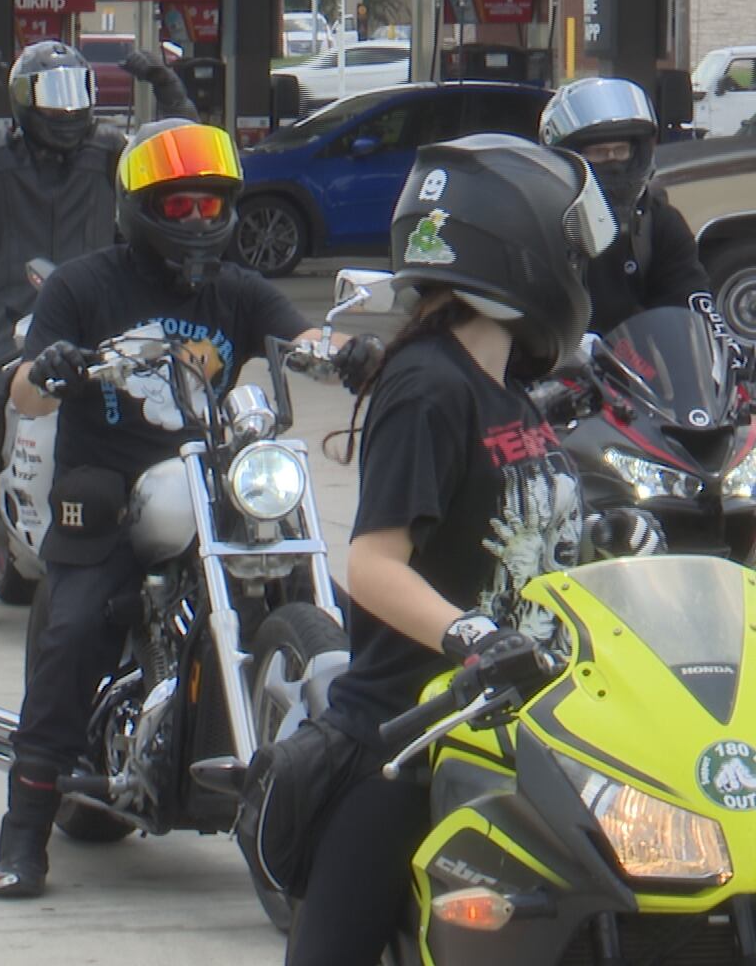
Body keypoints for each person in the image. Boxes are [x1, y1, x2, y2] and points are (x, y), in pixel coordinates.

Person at [0, 120, 371, 898]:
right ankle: (23, 835)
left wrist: (351, 351)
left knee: (343, 606)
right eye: (181, 205)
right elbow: (21, 386)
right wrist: (51, 367)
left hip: (215, 480)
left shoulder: (236, 287)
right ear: (141, 207)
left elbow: (303, 338)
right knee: (71, 635)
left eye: (209, 205)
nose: (198, 221)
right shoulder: (84, 284)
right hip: (112, 493)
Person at [285, 135, 615, 963]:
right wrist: (474, 638)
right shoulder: (429, 387)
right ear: (524, 250)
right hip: (418, 735)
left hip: (534, 733)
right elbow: (371, 564)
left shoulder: (503, 388)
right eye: (568, 247)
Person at [0, 40, 198, 628]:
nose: (67, 109)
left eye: (78, 92)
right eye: (52, 94)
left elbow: (182, 156)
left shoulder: (111, 150)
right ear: (21, 100)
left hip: (99, 312)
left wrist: (165, 83)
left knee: (165, 417)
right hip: (8, 317)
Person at [539, 76, 726, 337]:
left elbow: (691, 297)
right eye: (599, 152)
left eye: (620, 150)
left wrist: (719, 350)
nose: (613, 160)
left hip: (637, 368)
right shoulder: (541, 224)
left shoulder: (659, 221)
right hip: (556, 367)